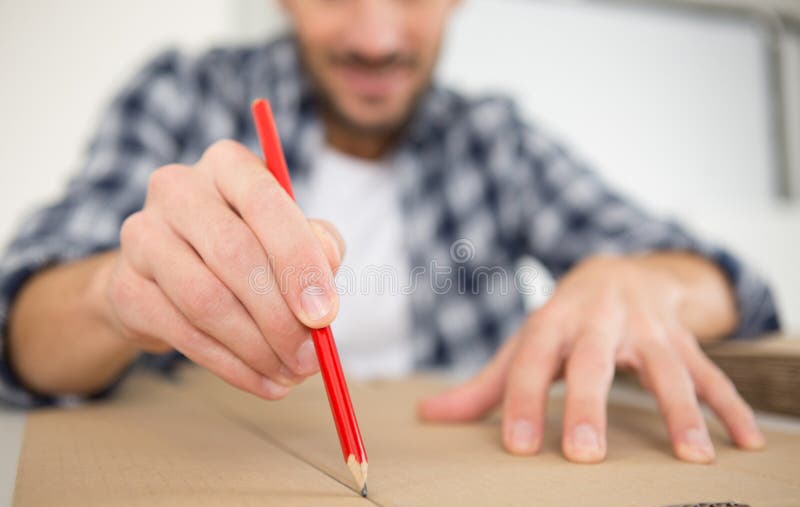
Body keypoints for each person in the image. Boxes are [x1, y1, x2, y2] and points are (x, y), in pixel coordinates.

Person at [0, 0, 780, 465]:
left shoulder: (493, 140)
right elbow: (20, 327)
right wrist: (114, 295)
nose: (376, 37)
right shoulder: (184, 95)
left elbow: (735, 288)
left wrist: (639, 281)